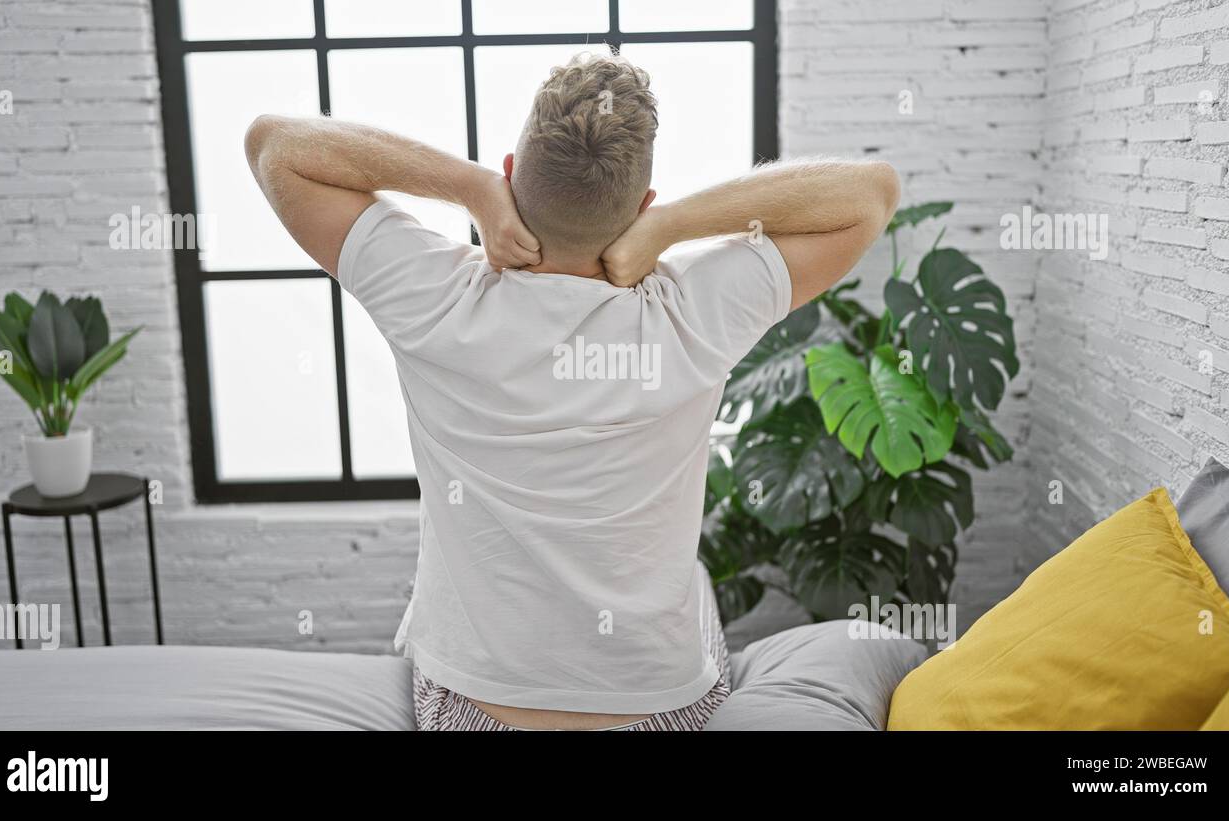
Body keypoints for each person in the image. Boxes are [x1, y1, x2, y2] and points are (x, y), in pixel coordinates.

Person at [245, 53, 898, 731]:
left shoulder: (435, 296)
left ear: (510, 176)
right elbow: (870, 194)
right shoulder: (692, 309)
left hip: (472, 711)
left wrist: (468, 188)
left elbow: (274, 145)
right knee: (696, 587)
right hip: (658, 712)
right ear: (640, 204)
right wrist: (670, 226)